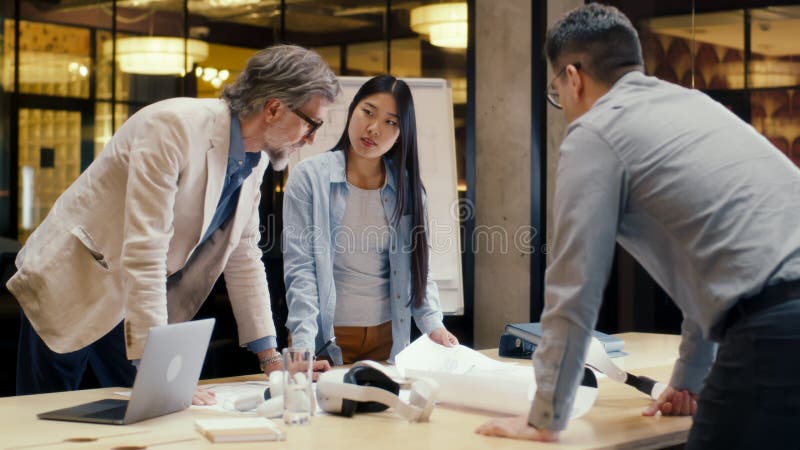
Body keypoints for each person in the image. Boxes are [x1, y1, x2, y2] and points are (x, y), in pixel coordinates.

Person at [475, 4, 800, 448]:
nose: (562, 104)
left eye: (556, 91)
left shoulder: (596, 131)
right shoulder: (694, 106)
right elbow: (714, 269)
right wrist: (688, 382)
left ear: (572, 77)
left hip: (778, 329)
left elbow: (575, 286)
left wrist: (544, 416)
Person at [7, 44, 338, 402]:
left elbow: (244, 256)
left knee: (148, 412)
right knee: (46, 412)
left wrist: (271, 359)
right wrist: (160, 371)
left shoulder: (254, 159)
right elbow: (146, 251)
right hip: (73, 282)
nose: (311, 139)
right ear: (274, 108)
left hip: (131, 302)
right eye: (312, 123)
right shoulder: (172, 127)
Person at [282, 75, 458, 365]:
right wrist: (303, 345)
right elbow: (300, 268)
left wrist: (434, 325)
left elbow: (419, 267)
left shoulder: (407, 187)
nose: (374, 128)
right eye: (368, 112)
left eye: (391, 122)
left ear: (402, 132)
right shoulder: (309, 177)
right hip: (324, 337)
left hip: (388, 335)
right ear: (353, 109)